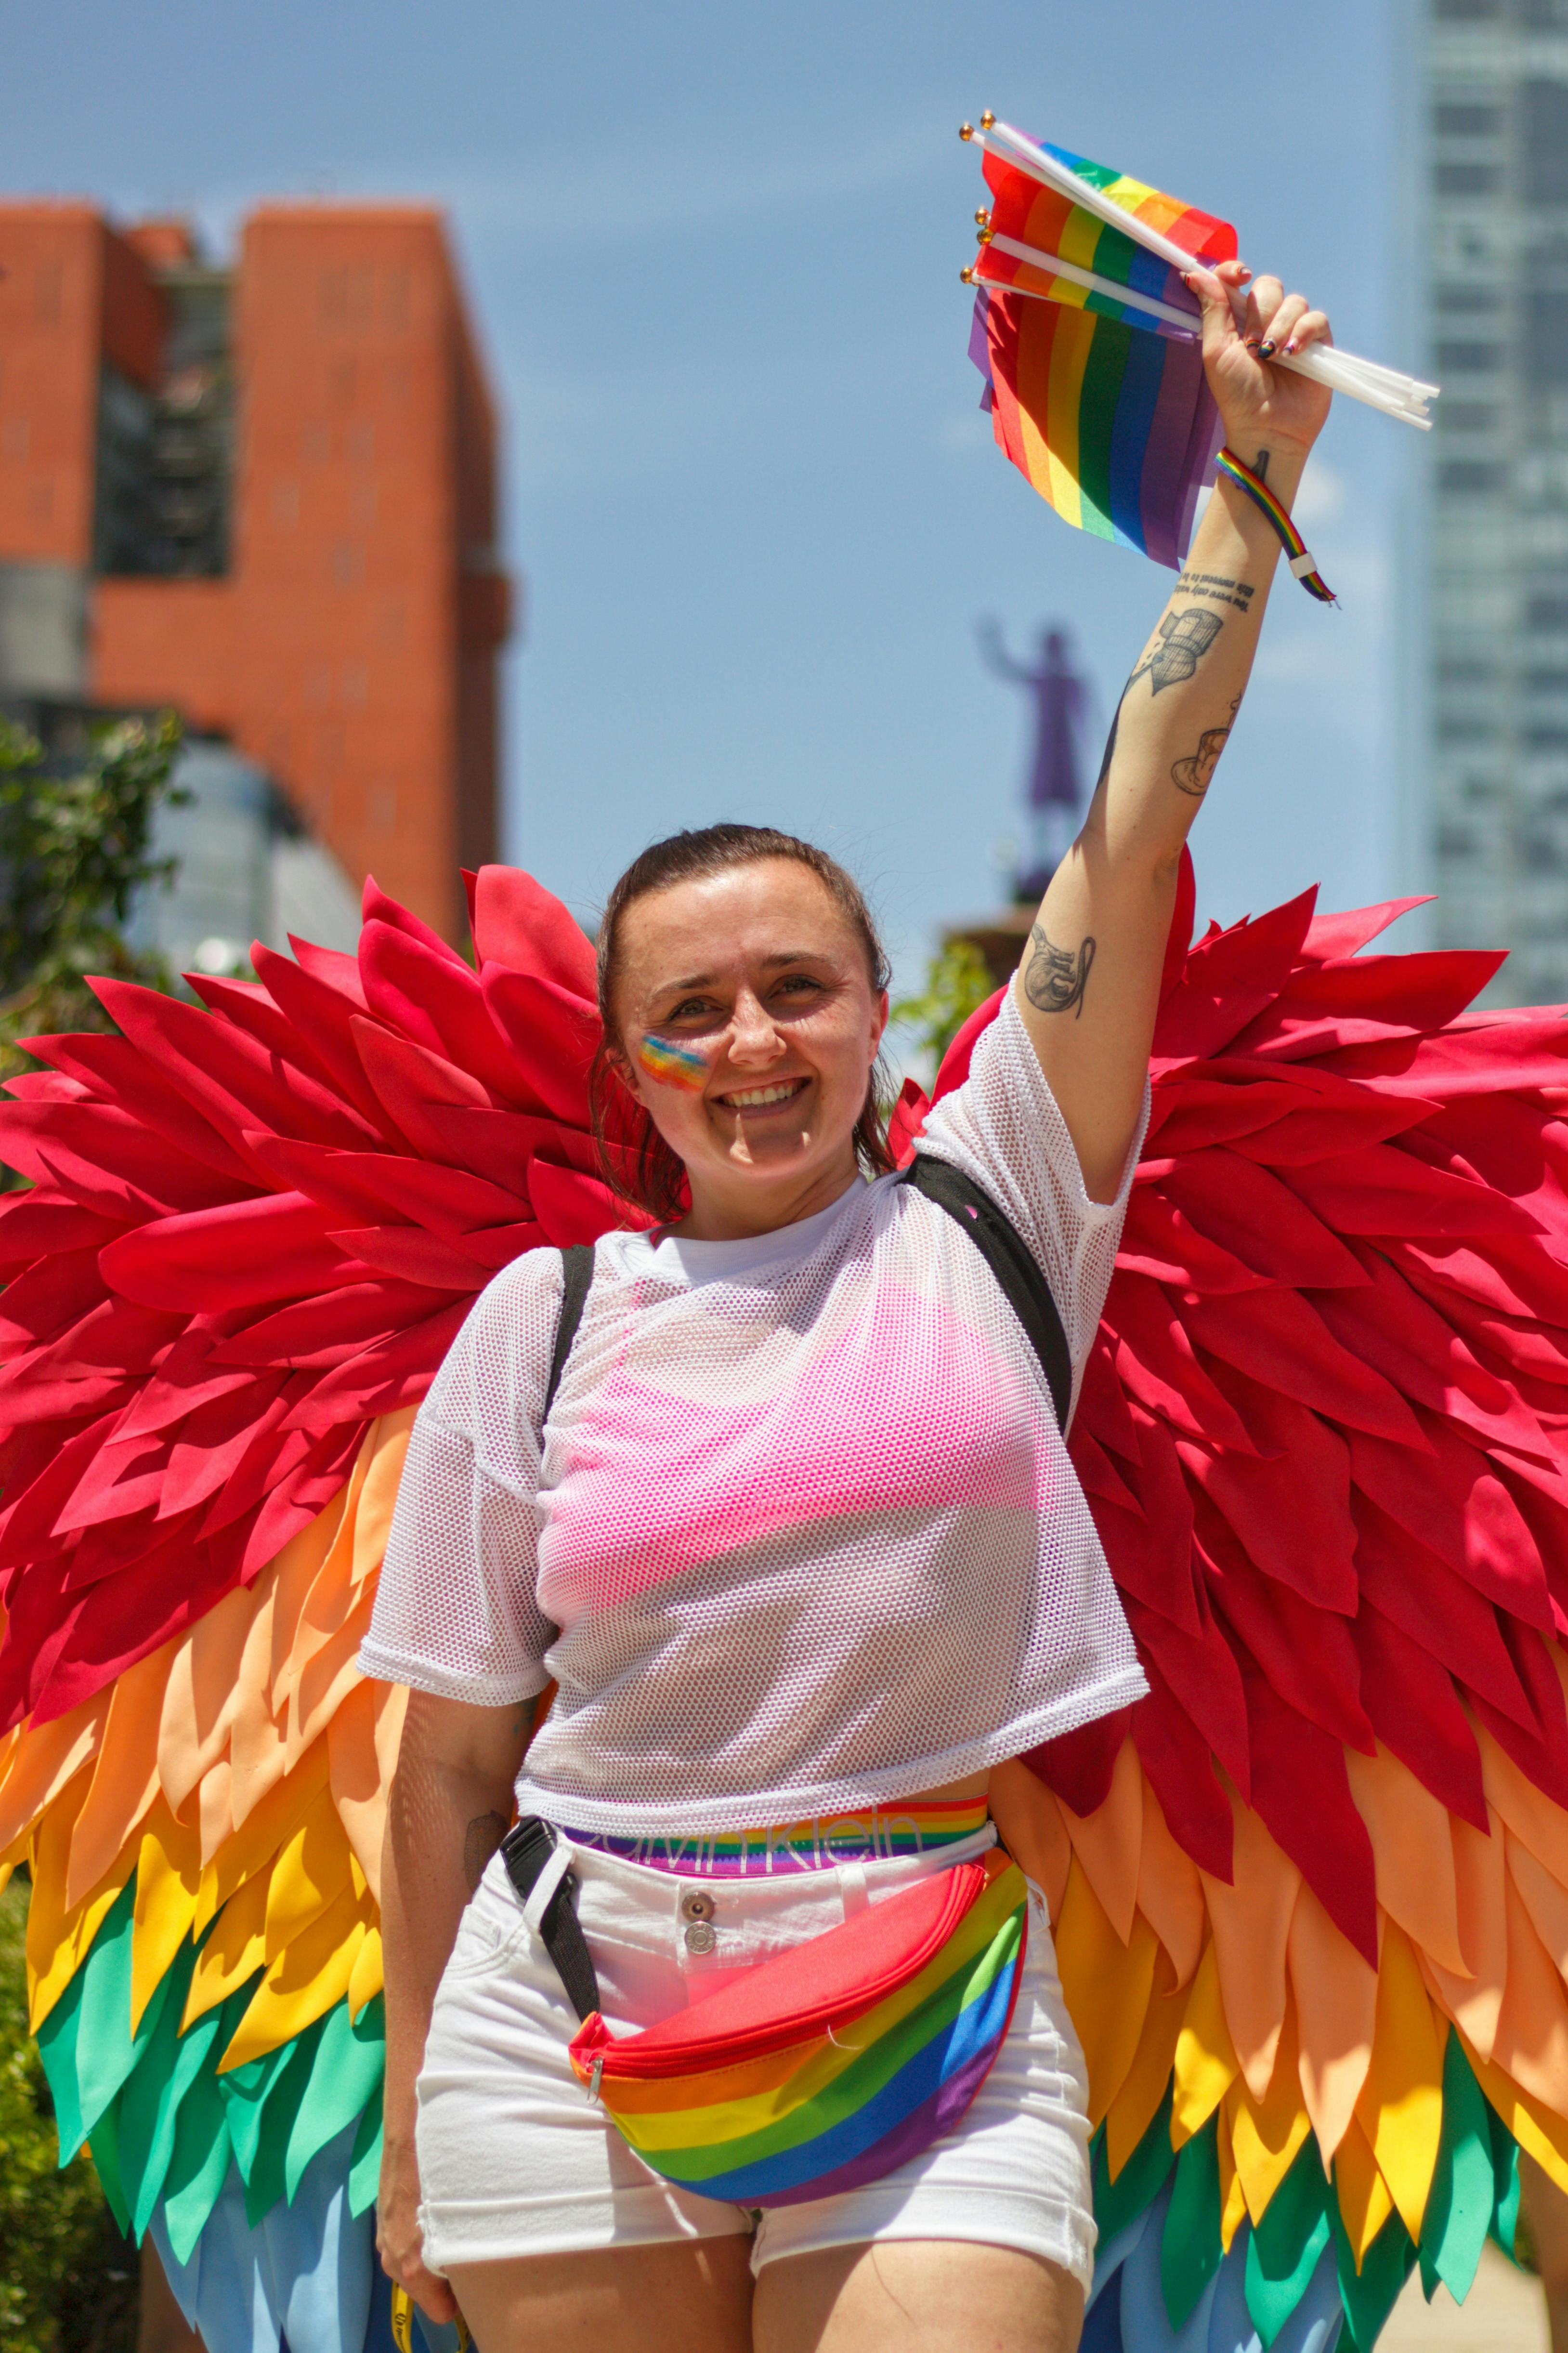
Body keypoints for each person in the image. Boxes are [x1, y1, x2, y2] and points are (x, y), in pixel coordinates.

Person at [361, 259, 1334, 2353]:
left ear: (883, 1017)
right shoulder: (538, 1327)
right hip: (566, 2022)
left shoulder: (992, 1208)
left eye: (796, 987)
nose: (750, 1041)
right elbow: (443, 1775)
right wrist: (416, 2128)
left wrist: (1251, 464)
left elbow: (1136, 819)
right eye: (687, 1012)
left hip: (933, 2024)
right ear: (627, 1072)